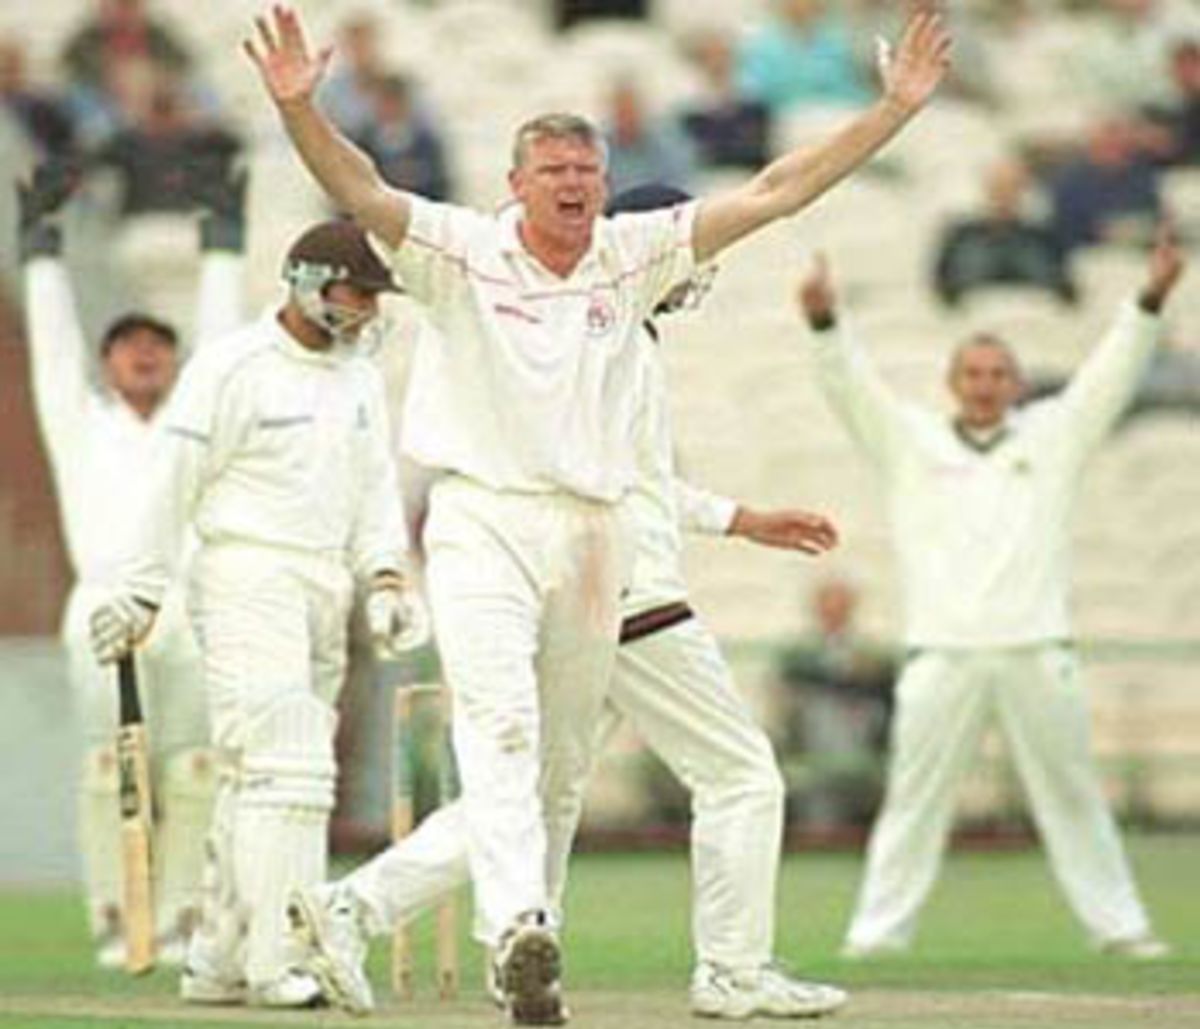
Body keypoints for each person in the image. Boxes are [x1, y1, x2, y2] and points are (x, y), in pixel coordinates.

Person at [244, 6, 949, 1022]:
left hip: (595, 540)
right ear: (516, 184)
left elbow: (776, 189)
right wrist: (301, 109)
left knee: (557, 777)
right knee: (503, 732)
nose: (573, 187)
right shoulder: (461, 249)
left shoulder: (638, 252)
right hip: (483, 519)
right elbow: (358, 187)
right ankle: (523, 931)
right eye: (553, 173)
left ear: (606, 183)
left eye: (588, 172)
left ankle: (371, 914)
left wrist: (891, 111)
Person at [289, 184, 847, 1022]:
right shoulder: (613, 343)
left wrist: (741, 520)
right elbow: (608, 489)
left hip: (602, 584)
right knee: (740, 775)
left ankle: (363, 910)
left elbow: (647, 481)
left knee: (531, 794)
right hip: (627, 593)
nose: (702, 273)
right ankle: (733, 968)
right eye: (698, 256)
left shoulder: (622, 340)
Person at [794, 229, 1186, 960]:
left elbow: (1107, 376)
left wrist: (1148, 299)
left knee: (1073, 799)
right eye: (972, 372)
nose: (984, 383)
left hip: (1037, 646)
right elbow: (854, 388)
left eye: (997, 372)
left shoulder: (1053, 434)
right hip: (942, 651)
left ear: (1015, 382)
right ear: (953, 381)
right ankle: (877, 935)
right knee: (914, 804)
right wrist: (826, 324)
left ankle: (1121, 927)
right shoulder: (911, 442)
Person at [86, 218, 429, 1007]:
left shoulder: (359, 377)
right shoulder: (232, 365)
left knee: (257, 778)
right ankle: (281, 960)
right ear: (307, 281)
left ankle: (217, 955)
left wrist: (384, 577)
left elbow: (374, 486)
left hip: (324, 586)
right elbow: (175, 476)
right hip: (246, 571)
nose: (369, 311)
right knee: (290, 766)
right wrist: (140, 588)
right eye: (357, 292)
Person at [17, 156, 245, 968]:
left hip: (187, 605)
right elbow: (51, 356)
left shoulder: (194, 421)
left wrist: (224, 247)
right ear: (109, 362)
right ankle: (119, 916)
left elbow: (223, 348)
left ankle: (179, 918)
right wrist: (39, 253)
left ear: (173, 360)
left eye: (157, 345)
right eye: (127, 346)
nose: (143, 355)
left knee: (191, 768)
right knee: (108, 767)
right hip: (104, 609)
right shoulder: (81, 424)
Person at [774, 577, 894, 832]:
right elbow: (792, 682)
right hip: (813, 734)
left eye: (840, 605)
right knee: (822, 712)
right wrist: (846, 678)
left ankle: (847, 769)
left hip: (862, 729)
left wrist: (849, 678)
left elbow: (883, 685)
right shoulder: (799, 649)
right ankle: (834, 779)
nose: (834, 612)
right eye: (828, 605)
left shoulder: (869, 649)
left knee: (854, 712)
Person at [933, 157, 1076, 308]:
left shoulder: (1042, 238)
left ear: (1023, 191)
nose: (1004, 195)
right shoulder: (960, 237)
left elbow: (1066, 291)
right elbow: (942, 290)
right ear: (986, 190)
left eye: (1012, 187)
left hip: (1033, 321)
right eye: (998, 187)